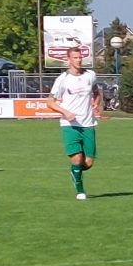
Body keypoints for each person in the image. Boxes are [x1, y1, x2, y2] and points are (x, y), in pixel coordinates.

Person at [50, 47, 103, 200]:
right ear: (69, 59)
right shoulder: (62, 79)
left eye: (80, 57)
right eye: (75, 57)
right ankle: (80, 190)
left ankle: (75, 171)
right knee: (77, 159)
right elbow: (49, 102)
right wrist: (65, 112)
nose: (78, 60)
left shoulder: (90, 75)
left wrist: (96, 103)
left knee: (88, 162)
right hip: (69, 124)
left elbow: (96, 92)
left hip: (88, 124)